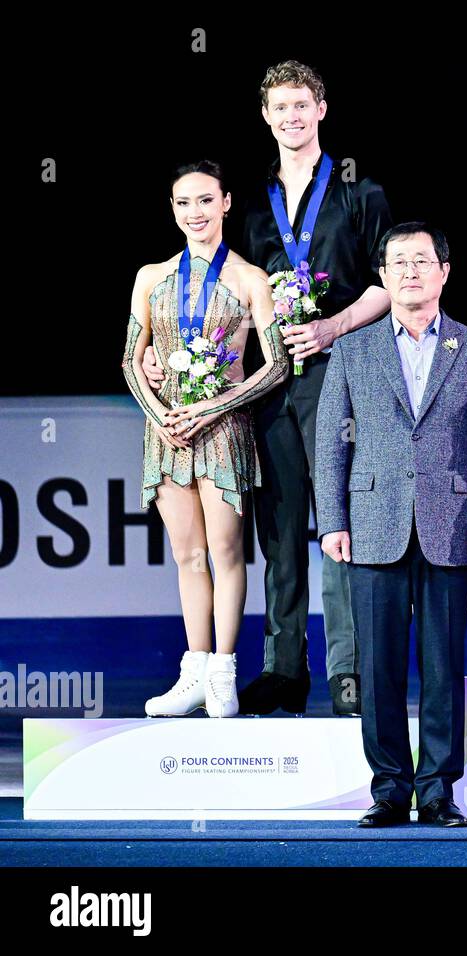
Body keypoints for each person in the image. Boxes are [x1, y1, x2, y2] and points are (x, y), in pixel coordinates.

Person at [143, 60, 394, 716]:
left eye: (301, 105)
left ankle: (349, 669)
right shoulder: (250, 203)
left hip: (340, 378)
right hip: (268, 390)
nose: (291, 117)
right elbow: (210, 289)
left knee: (339, 525)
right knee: (278, 534)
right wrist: (160, 361)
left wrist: (334, 326)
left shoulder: (358, 192)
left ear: (321, 109)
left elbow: (388, 282)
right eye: (279, 107)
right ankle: (284, 670)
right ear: (265, 116)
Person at [315, 222, 467, 827]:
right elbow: (330, 443)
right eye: (397, 262)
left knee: (443, 663)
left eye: (421, 261)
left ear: (444, 271)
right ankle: (388, 789)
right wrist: (332, 521)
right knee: (376, 667)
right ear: (382, 275)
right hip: (372, 523)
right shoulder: (352, 350)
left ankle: (436, 791)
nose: (409, 271)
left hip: (453, 525)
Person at [123, 160, 289, 717]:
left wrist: (212, 408)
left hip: (223, 427)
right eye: (183, 203)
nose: (194, 213)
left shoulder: (249, 279)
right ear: (172, 210)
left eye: (204, 201)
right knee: (187, 554)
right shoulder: (150, 277)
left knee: (224, 551)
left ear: (226, 203)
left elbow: (277, 367)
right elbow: (129, 359)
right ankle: (192, 670)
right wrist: (163, 412)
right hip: (167, 428)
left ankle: (223, 671)